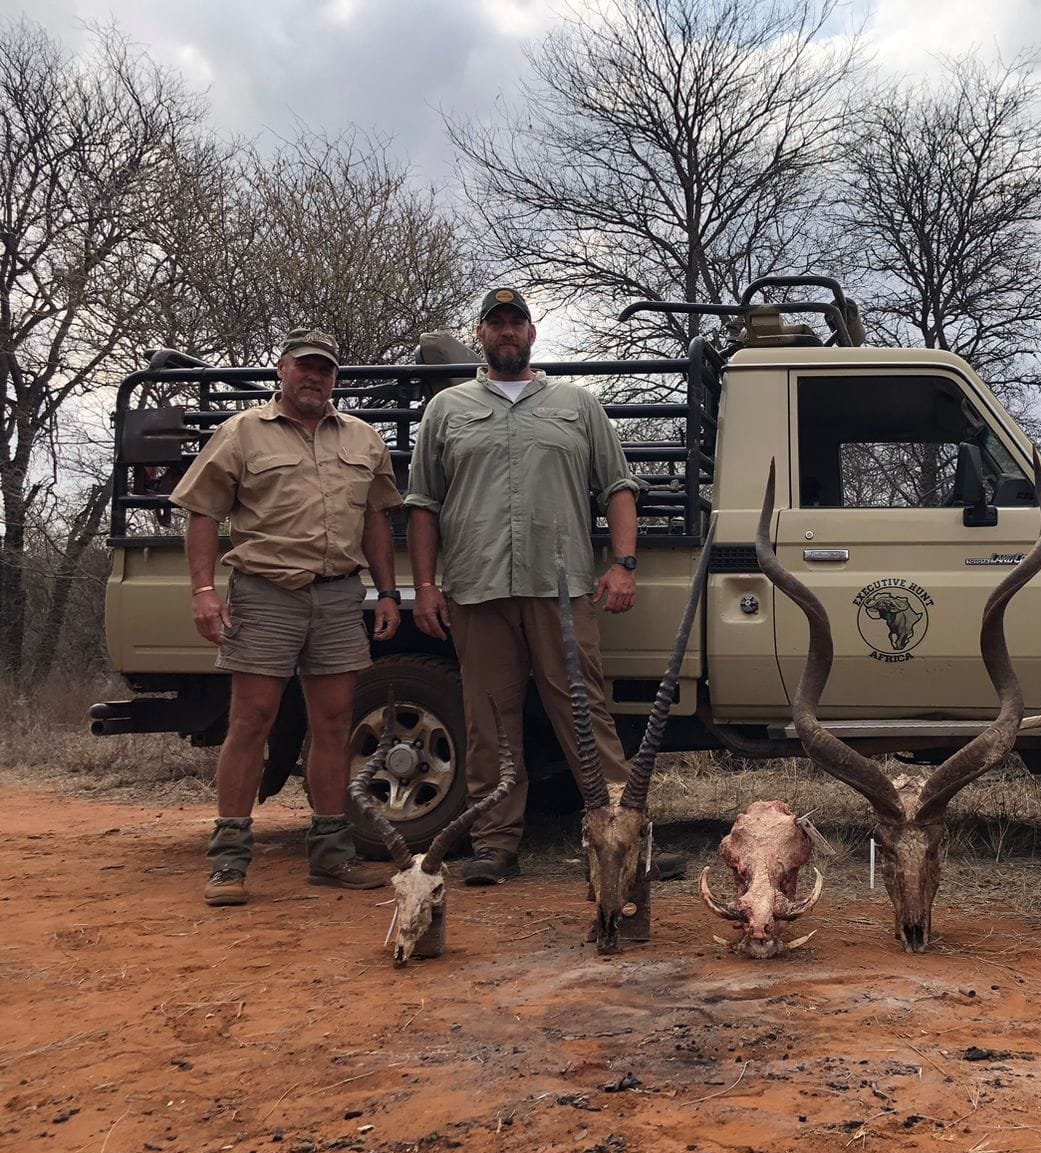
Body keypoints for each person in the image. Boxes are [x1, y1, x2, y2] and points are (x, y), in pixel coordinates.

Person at [406, 286, 682, 885]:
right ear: (481, 334)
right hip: (476, 587)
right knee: (489, 723)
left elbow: (618, 487)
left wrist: (623, 564)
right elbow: (423, 504)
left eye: (516, 322)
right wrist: (425, 585)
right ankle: (494, 845)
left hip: (561, 590)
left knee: (584, 714)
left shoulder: (577, 404)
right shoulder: (447, 409)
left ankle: (626, 841)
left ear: (532, 334)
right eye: (496, 323)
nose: (507, 331)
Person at [172, 329, 405, 906]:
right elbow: (201, 511)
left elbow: (376, 520)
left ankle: (330, 854)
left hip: (338, 596)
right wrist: (203, 591)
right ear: (282, 369)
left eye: (325, 370)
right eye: (304, 366)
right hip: (265, 592)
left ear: (334, 379)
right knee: (252, 719)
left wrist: (388, 592)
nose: (314, 378)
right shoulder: (243, 431)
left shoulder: (363, 437)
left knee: (334, 723)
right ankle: (228, 861)